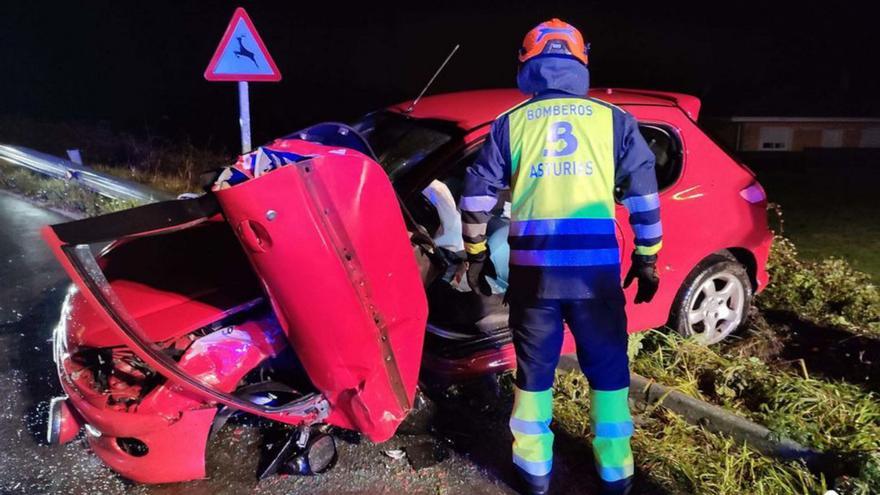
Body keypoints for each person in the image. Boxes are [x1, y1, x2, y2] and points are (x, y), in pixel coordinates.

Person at [459, 18, 662, 495]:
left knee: (534, 373)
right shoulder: (614, 120)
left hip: (534, 277)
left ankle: (534, 470)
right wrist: (648, 256)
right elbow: (644, 194)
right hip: (596, 278)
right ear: (581, 62)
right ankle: (616, 470)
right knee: (609, 369)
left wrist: (474, 254)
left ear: (526, 63)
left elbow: (476, 195)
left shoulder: (509, 124)